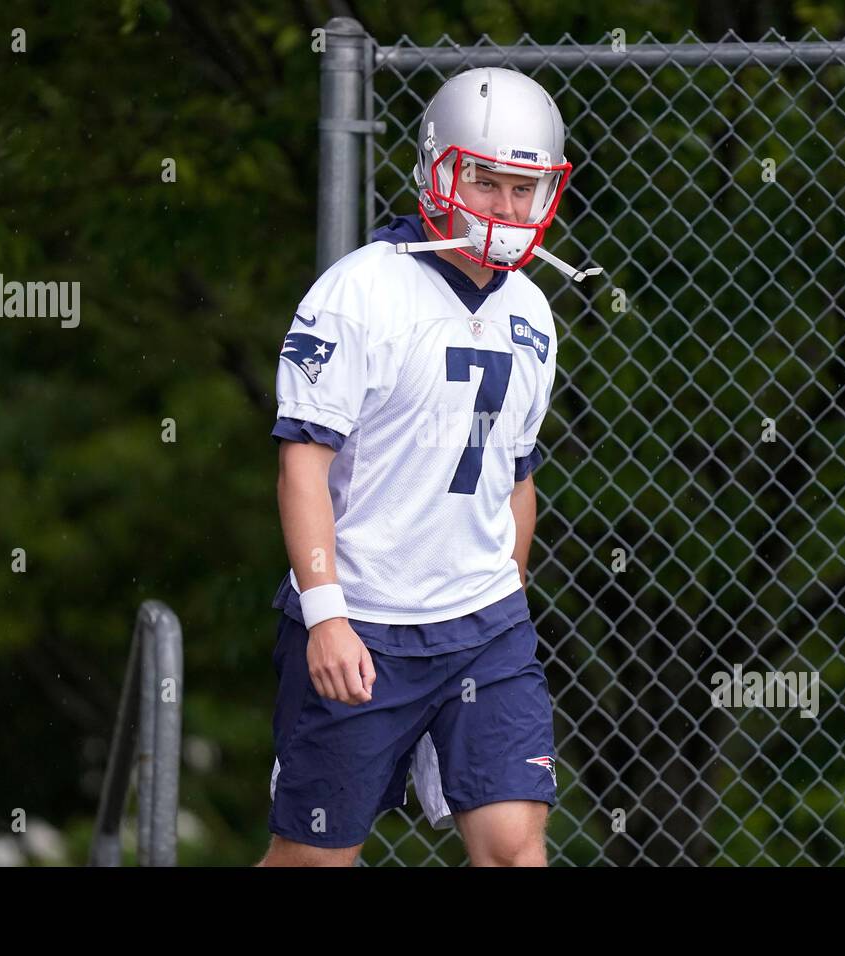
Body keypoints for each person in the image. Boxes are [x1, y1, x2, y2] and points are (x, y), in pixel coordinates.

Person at [258, 66, 600, 867]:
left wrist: (504, 602)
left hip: (484, 628)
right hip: (365, 619)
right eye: (488, 183)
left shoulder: (530, 310)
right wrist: (327, 613)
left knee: (516, 850)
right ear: (439, 169)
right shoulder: (361, 292)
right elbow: (301, 466)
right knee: (312, 860)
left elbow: (516, 478)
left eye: (526, 188)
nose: (509, 210)